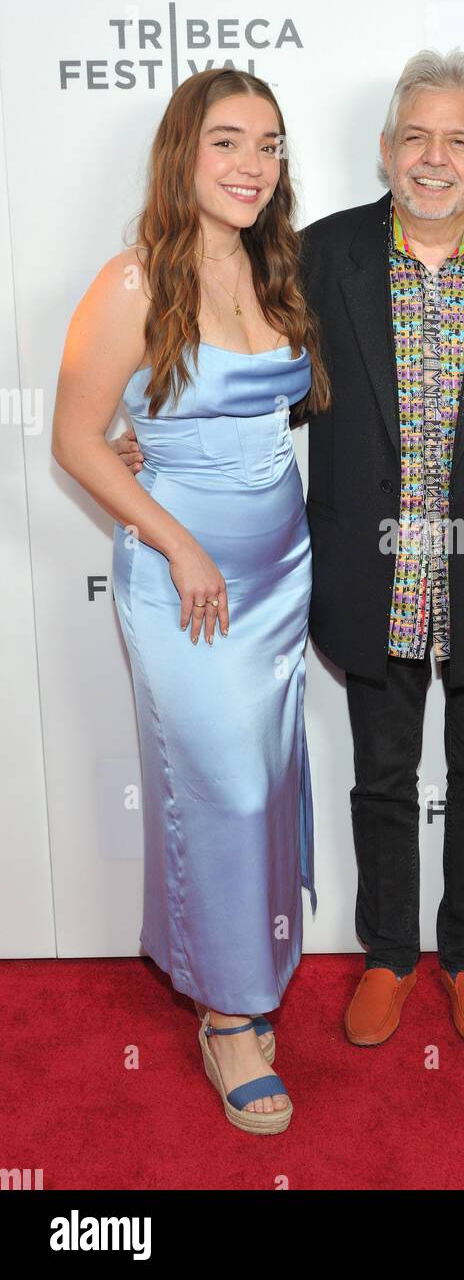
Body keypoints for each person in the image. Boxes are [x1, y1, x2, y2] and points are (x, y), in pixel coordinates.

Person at [112, 51, 464, 1049]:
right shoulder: (317, 255)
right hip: (370, 568)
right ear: (383, 151)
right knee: (380, 772)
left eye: (456, 141)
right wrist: (147, 433)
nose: (432, 158)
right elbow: (238, 370)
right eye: (414, 137)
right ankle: (391, 952)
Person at [53, 67, 329, 1135]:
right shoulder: (133, 282)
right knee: (220, 790)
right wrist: (177, 541)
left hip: (279, 572)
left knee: (261, 781)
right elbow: (77, 439)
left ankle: (248, 967)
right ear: (183, 154)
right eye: (227, 142)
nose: (251, 165)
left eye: (268, 145)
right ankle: (224, 1019)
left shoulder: (278, 267)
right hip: (185, 584)